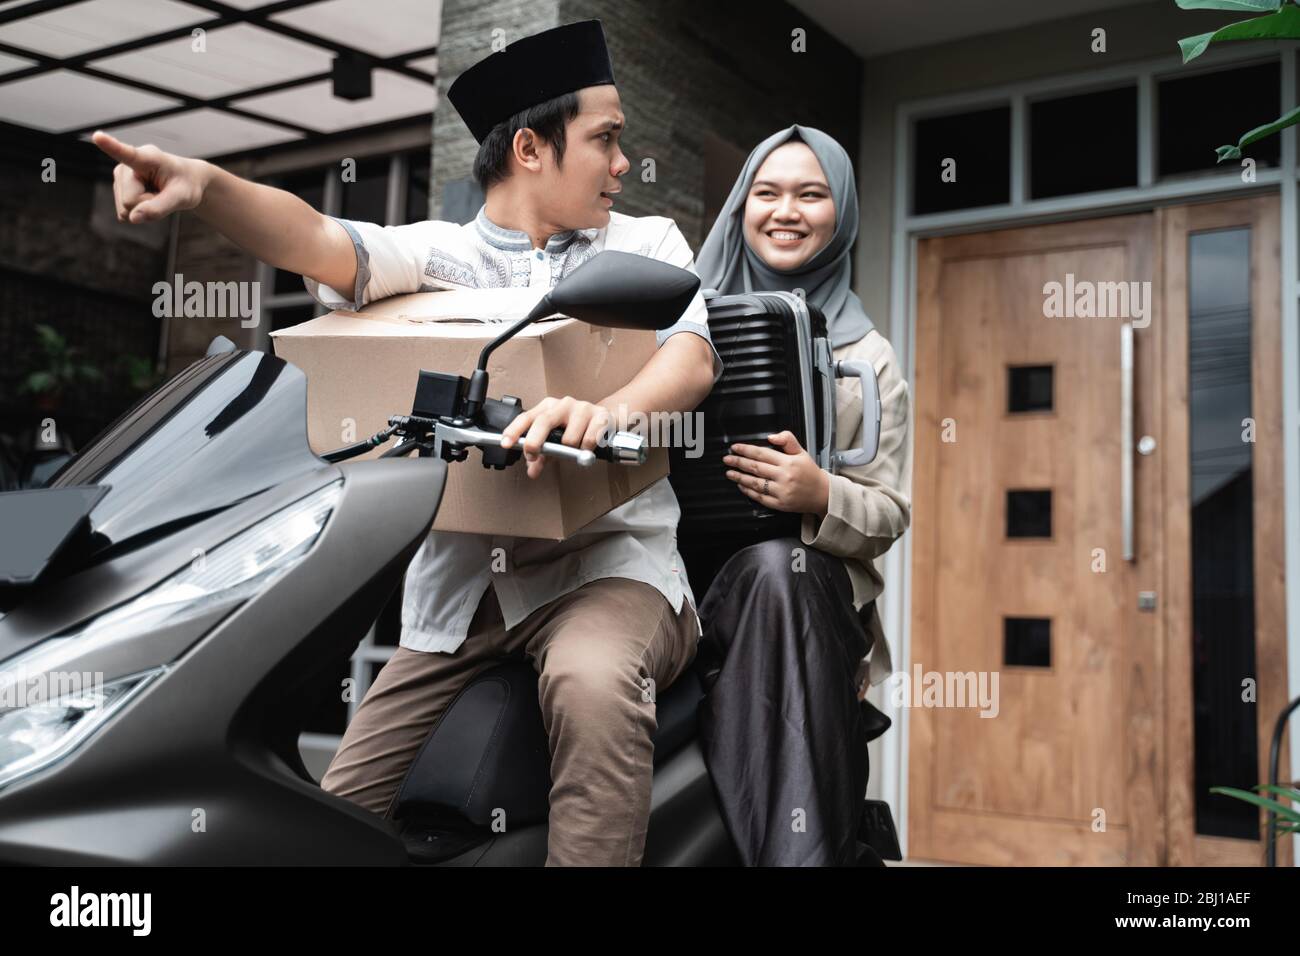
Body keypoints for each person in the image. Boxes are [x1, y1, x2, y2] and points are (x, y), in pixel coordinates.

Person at [93, 19, 723, 867]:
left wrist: (608, 412)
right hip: (462, 597)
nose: (623, 163)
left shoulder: (644, 243)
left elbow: (689, 358)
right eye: (606, 140)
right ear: (531, 149)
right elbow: (317, 239)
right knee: (344, 797)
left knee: (591, 682)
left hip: (609, 570)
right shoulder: (436, 255)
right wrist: (205, 186)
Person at [692, 124, 912, 866]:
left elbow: (888, 511)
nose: (787, 210)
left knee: (776, 570)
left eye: (811, 194)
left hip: (803, 595)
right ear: (741, 205)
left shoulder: (868, 357)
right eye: (768, 192)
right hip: (675, 590)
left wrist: (820, 493)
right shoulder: (680, 322)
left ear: (840, 212)